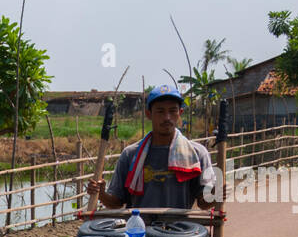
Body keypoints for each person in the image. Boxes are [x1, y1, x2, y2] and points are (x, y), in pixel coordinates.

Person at [84, 84, 216, 215]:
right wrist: (101, 193)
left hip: (180, 232)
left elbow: (203, 203)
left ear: (180, 113)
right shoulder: (131, 154)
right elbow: (117, 202)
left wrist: (217, 193)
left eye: (172, 111)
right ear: (149, 114)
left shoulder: (196, 154)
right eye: (160, 111)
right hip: (139, 230)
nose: (167, 117)